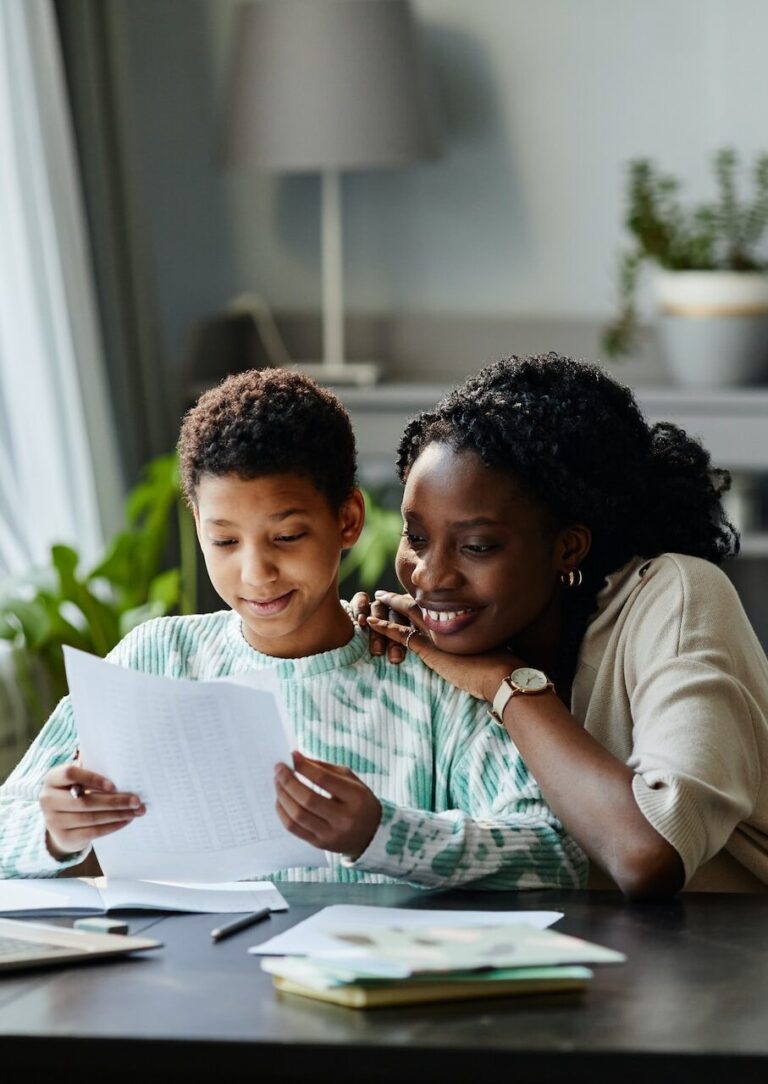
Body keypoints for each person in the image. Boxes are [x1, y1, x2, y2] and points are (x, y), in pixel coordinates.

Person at [0, 368, 586, 890]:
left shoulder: (429, 676)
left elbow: (554, 852)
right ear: (199, 525)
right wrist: (56, 831)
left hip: (369, 995)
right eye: (225, 541)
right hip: (181, 994)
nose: (256, 573)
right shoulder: (154, 659)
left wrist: (383, 832)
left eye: (287, 536)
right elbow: (10, 825)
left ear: (347, 519)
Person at [355, 353, 768, 898]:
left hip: (721, 960)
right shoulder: (456, 642)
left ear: (567, 546)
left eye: (476, 546)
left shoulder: (677, 596)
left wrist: (507, 684)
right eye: (417, 538)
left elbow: (647, 854)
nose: (428, 575)